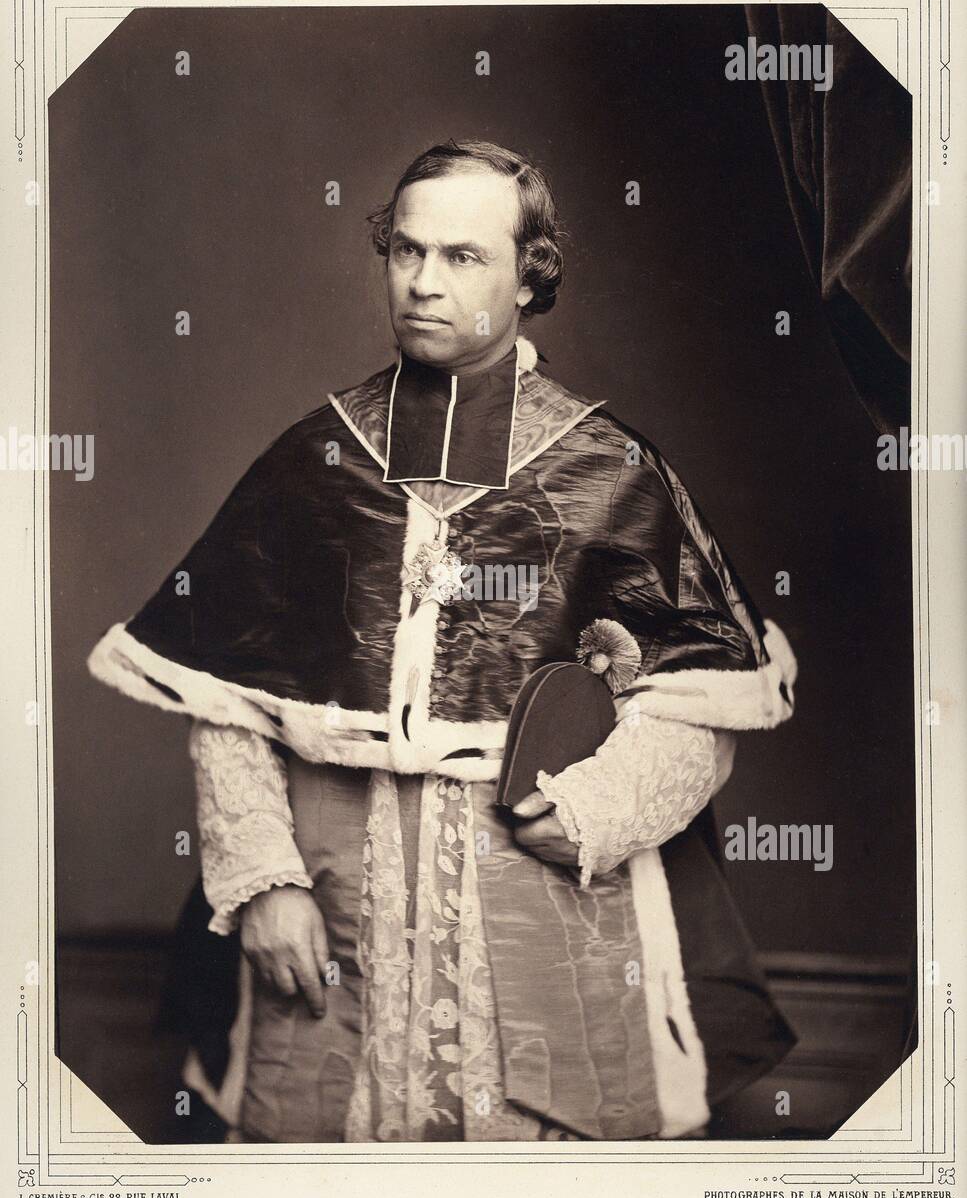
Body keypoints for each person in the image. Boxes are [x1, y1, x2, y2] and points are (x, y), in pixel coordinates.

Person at [89, 138, 798, 1142]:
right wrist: (264, 880)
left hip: (553, 906)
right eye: (405, 252)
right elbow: (224, 702)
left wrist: (596, 807)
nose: (423, 283)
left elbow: (696, 705)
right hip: (330, 903)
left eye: (462, 257)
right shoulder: (315, 459)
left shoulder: (613, 471)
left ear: (527, 277)